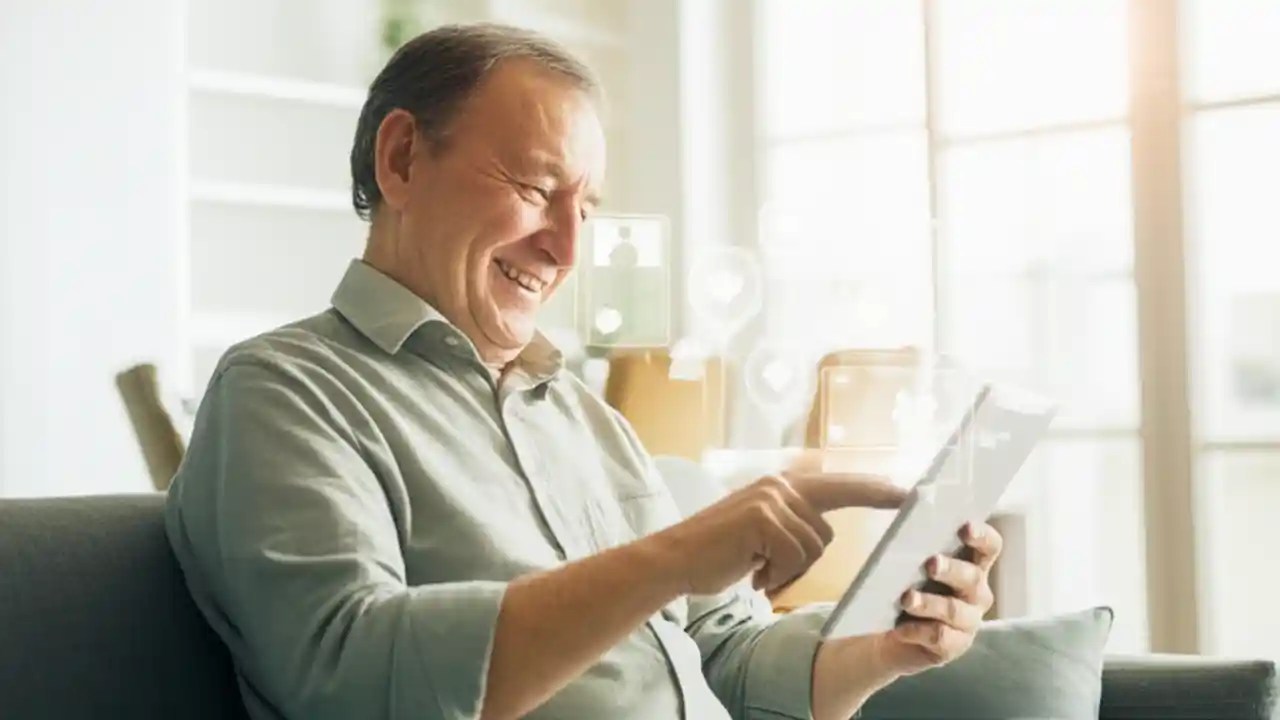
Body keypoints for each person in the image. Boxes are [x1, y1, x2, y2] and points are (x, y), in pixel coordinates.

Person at [165, 23, 1001, 720]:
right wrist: (674, 555)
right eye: (534, 187)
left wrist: (886, 645)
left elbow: (725, 657)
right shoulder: (287, 393)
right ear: (402, 160)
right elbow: (352, 678)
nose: (568, 249)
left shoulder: (582, 416)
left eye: (587, 209)